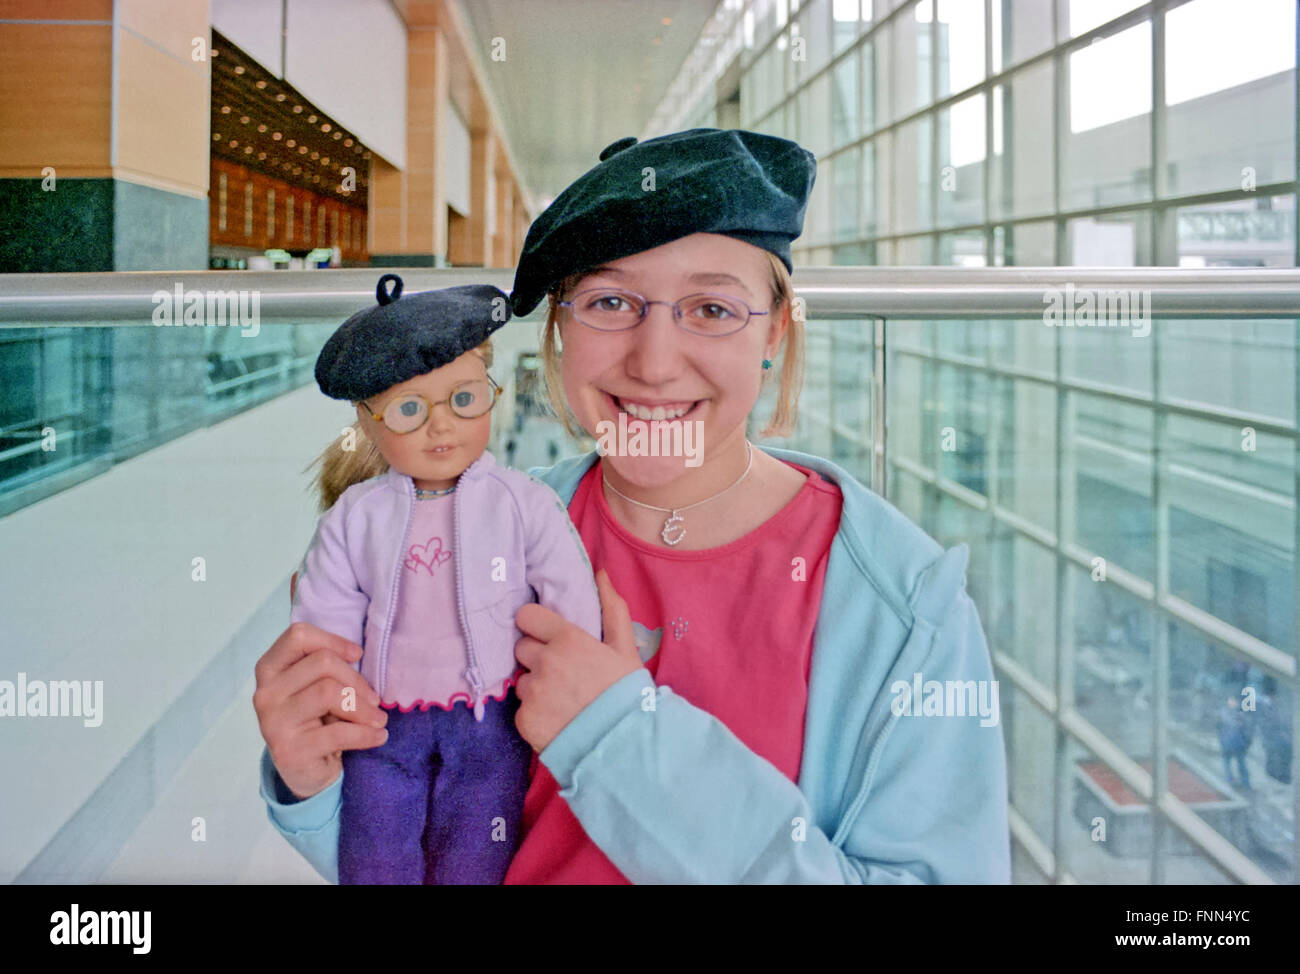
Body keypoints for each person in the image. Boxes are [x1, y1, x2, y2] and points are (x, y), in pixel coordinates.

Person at [254, 128, 1011, 883]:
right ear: (559, 326)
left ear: (775, 330)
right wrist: (317, 782)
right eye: (610, 301)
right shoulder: (485, 536)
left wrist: (619, 743)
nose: (652, 363)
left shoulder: (903, 608)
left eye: (711, 309)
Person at [285, 277, 601, 883]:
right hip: (380, 722)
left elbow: (567, 592)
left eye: (463, 399)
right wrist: (331, 697)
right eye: (409, 409)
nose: (440, 427)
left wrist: (572, 679)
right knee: (376, 842)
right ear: (369, 423)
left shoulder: (522, 503)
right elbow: (326, 613)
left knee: (480, 842)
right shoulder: (357, 515)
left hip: (491, 717)